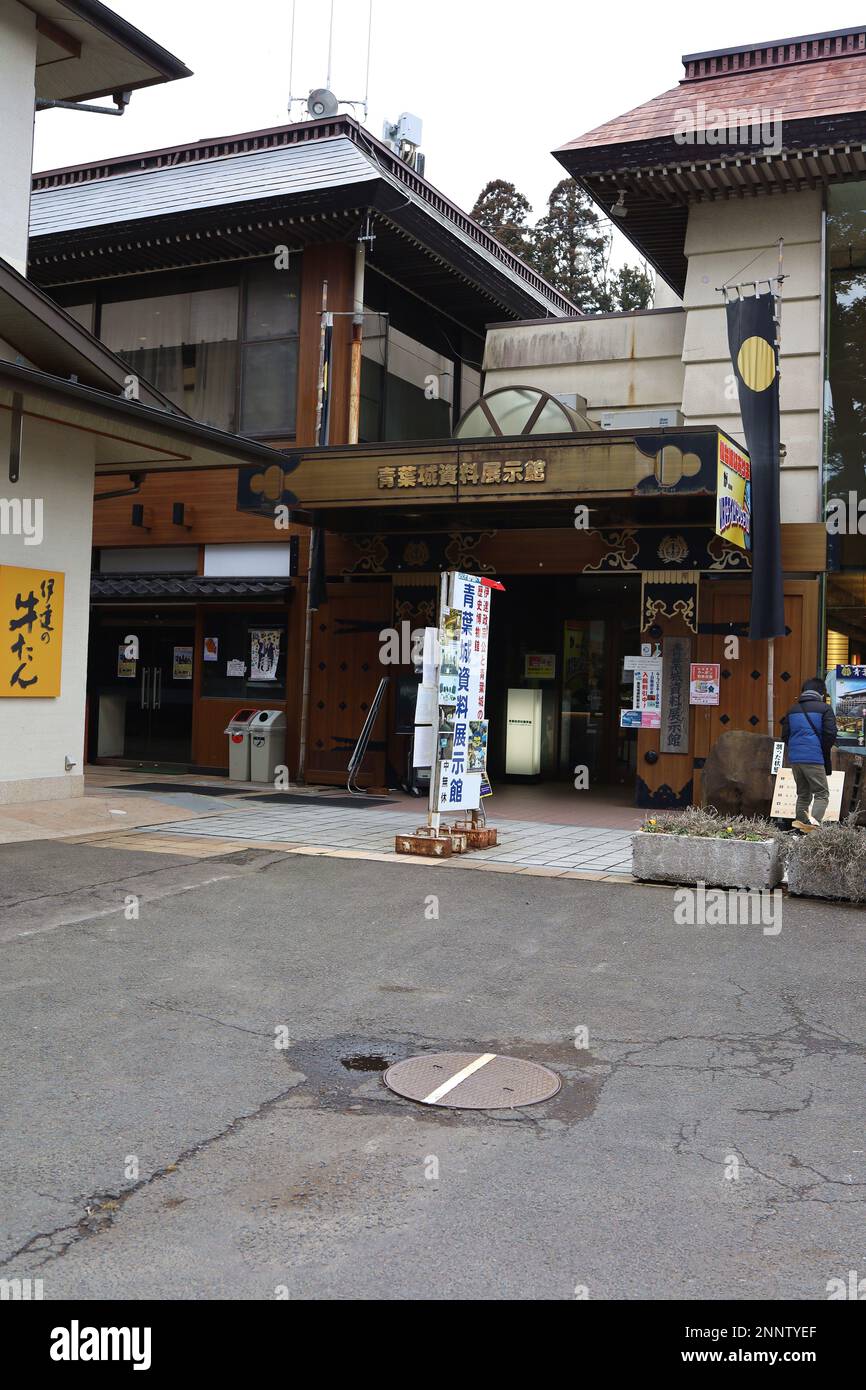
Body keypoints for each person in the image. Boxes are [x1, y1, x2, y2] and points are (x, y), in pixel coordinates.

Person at [780, 677, 837, 833]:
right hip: (814, 757)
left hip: (796, 759)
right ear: (820, 693)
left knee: (803, 794)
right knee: (821, 793)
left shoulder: (792, 710)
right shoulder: (824, 709)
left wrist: (796, 750)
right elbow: (830, 734)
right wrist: (820, 749)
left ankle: (800, 830)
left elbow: (785, 735)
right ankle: (812, 829)